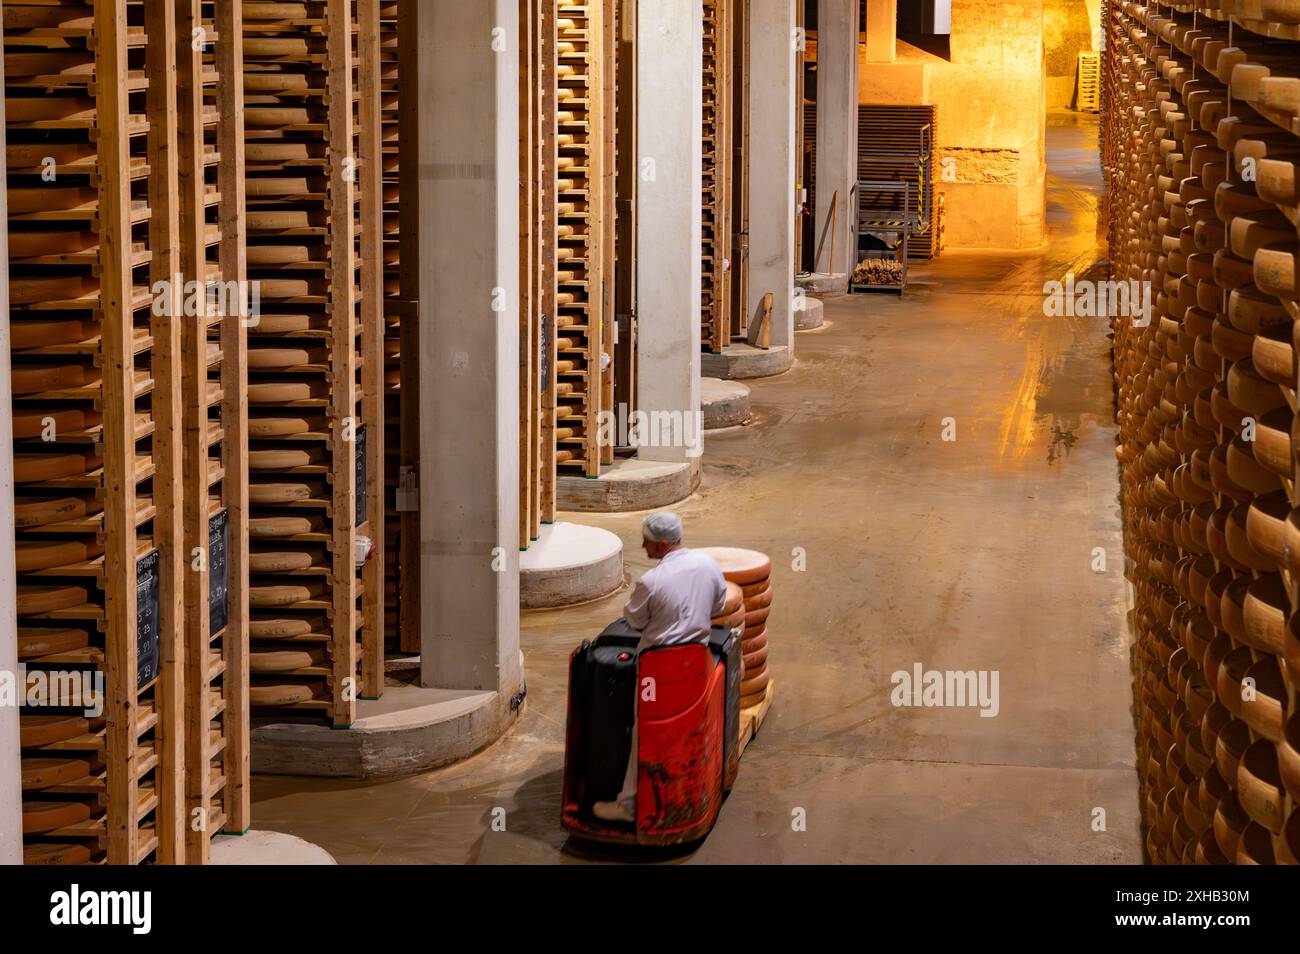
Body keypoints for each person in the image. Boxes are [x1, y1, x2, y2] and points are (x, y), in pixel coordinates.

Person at [592, 511, 727, 823]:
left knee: (645, 729)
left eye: (648, 542)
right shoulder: (708, 565)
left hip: (657, 671)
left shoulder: (651, 581)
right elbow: (718, 606)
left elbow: (635, 620)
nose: (643, 546)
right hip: (695, 662)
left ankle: (628, 805)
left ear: (663, 544)